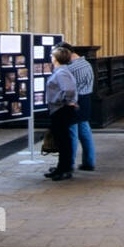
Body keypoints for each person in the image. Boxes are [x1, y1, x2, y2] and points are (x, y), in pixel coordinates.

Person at [44, 46, 80, 181]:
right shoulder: (60, 70)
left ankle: (65, 169)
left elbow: (69, 90)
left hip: (61, 109)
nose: (51, 57)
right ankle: (61, 167)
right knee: (61, 140)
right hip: (59, 108)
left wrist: (67, 101)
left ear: (57, 58)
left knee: (64, 141)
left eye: (52, 55)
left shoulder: (61, 73)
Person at [62, 44, 96, 171]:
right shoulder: (86, 63)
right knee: (85, 132)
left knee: (72, 134)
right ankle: (89, 161)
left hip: (75, 101)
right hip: (86, 99)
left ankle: (69, 164)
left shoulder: (71, 68)